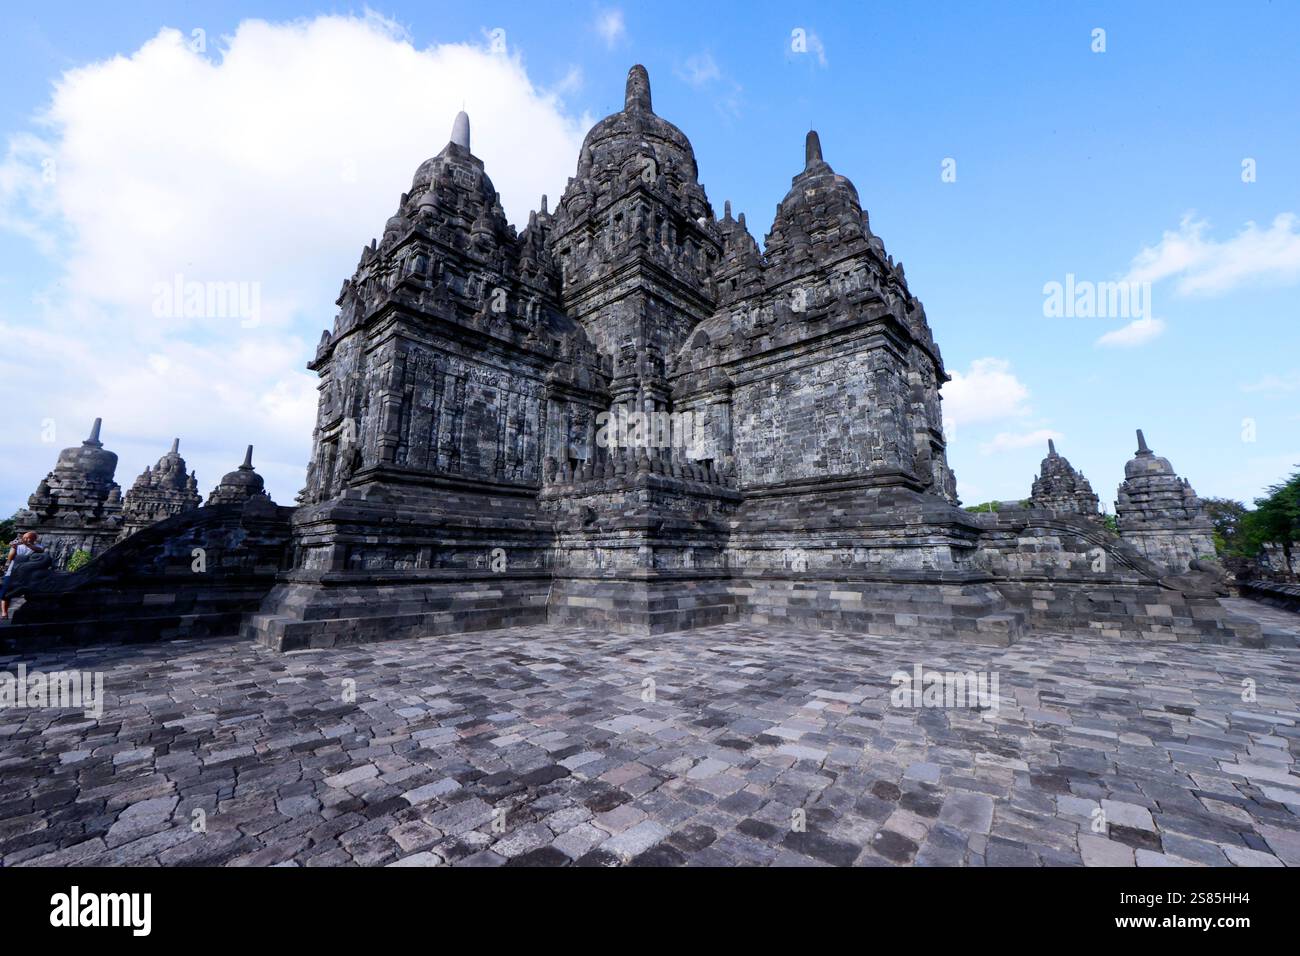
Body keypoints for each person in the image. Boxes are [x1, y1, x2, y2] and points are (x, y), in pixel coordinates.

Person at [0, 531, 44, 620]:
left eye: (28, 538)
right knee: (5, 592)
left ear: (34, 539)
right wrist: (14, 548)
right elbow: (10, 558)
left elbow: (40, 550)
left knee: (31, 592)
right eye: (24, 537)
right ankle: (4, 613)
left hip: (29, 573)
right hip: (13, 572)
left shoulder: (39, 546)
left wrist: (27, 544)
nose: (25, 539)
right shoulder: (18, 546)